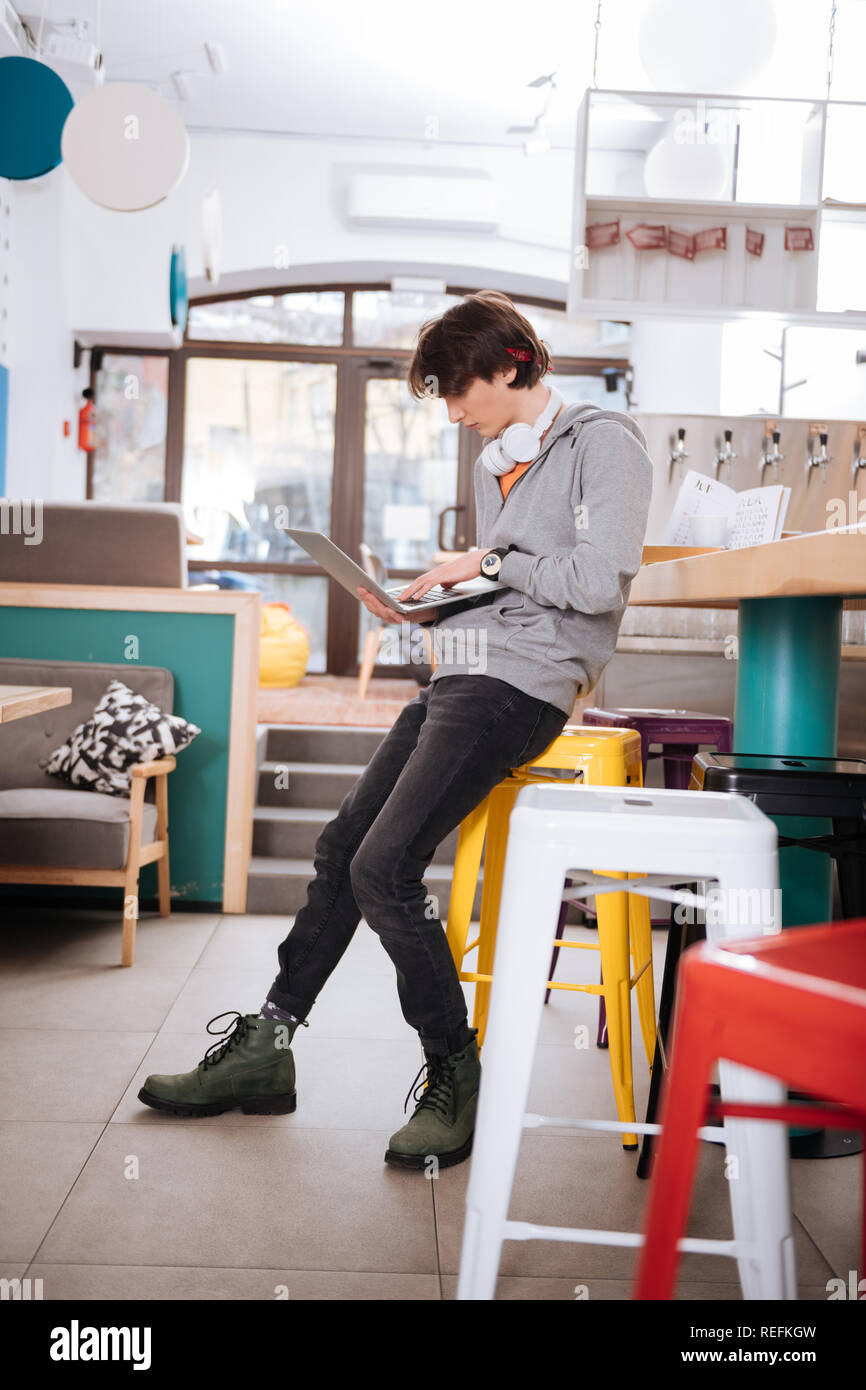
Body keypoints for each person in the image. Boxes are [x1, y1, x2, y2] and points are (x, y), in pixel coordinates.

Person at [138, 290, 653, 1171]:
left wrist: (484, 562)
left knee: (384, 868)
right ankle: (267, 1045)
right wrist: (434, 607)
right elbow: (521, 589)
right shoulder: (507, 463)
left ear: (511, 366)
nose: (454, 412)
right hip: (466, 671)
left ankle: (455, 1072)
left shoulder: (605, 443)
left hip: (520, 691)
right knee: (342, 849)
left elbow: (600, 581)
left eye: (460, 391)